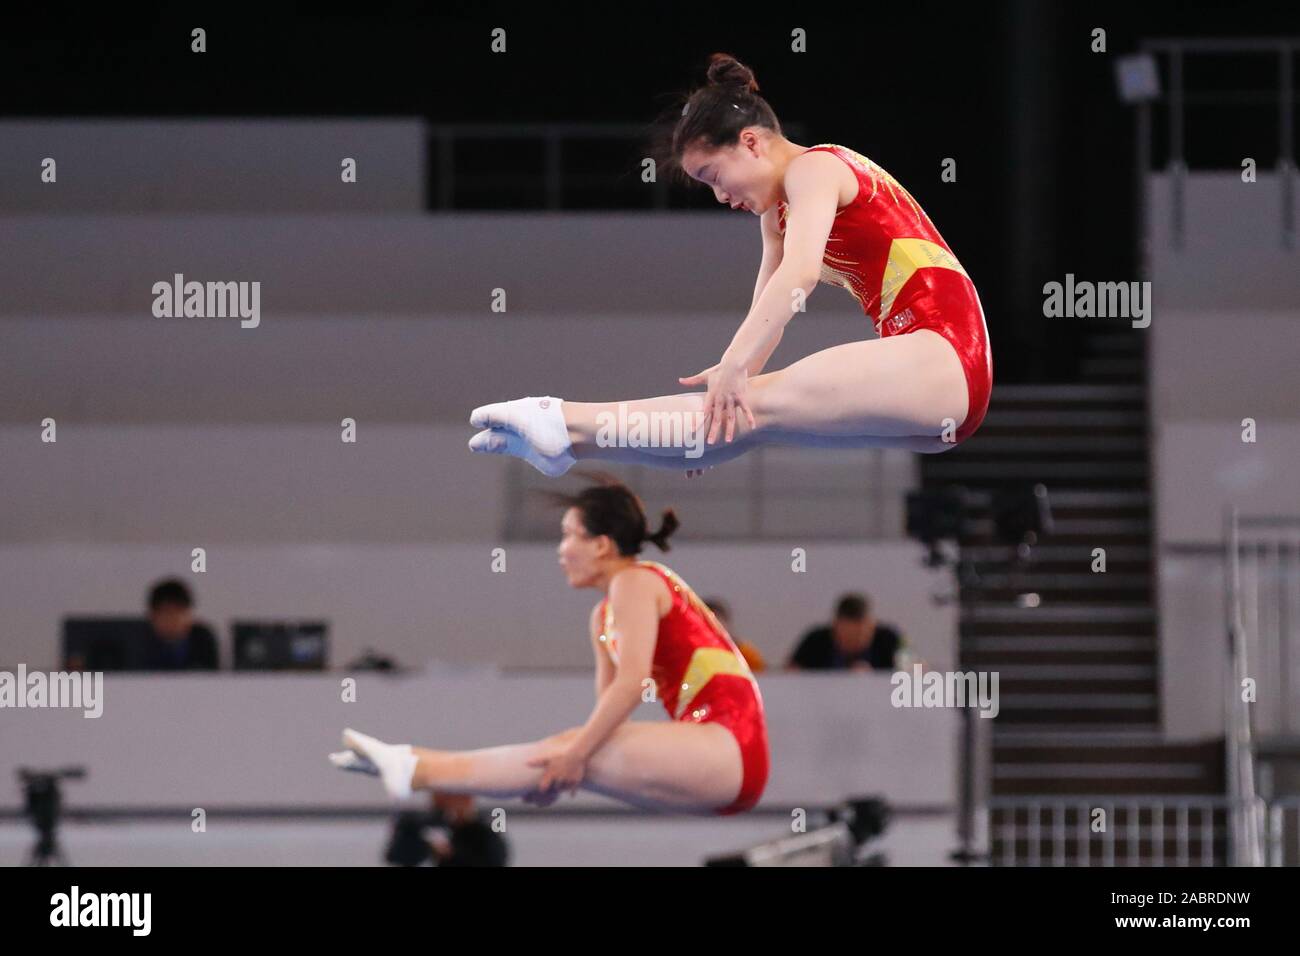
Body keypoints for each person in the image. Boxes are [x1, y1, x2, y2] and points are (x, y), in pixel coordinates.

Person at [467, 52, 992, 479]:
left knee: (748, 404)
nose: (721, 196)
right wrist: (710, 411)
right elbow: (767, 306)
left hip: (944, 352)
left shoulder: (817, 167)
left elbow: (799, 277)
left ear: (751, 142)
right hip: (939, 401)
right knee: (741, 421)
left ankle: (558, 417)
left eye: (716, 176)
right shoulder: (777, 215)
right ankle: (572, 449)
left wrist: (735, 368)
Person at [330, 471, 769, 816]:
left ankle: (413, 767)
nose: (560, 551)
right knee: (569, 749)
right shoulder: (602, 616)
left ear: (600, 545)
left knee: (569, 748)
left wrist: (572, 757)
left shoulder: (637, 581)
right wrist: (554, 776)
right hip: (714, 764)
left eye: (568, 535)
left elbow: (633, 684)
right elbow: (607, 720)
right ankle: (408, 762)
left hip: (731, 742)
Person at [787, 593, 905, 672]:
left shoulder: (890, 639)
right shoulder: (815, 641)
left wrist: (875, 679)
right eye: (847, 637)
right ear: (835, 626)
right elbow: (791, 672)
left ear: (872, 626)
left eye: (861, 636)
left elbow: (915, 670)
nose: (854, 643)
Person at [141, 578, 219, 671]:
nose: (174, 619)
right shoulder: (136, 643)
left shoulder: (203, 639)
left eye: (180, 612)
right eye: (167, 612)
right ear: (152, 616)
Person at [704, 596, 766, 672]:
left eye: (716, 620)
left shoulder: (746, 653)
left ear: (727, 622)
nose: (712, 625)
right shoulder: (693, 655)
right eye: (706, 621)